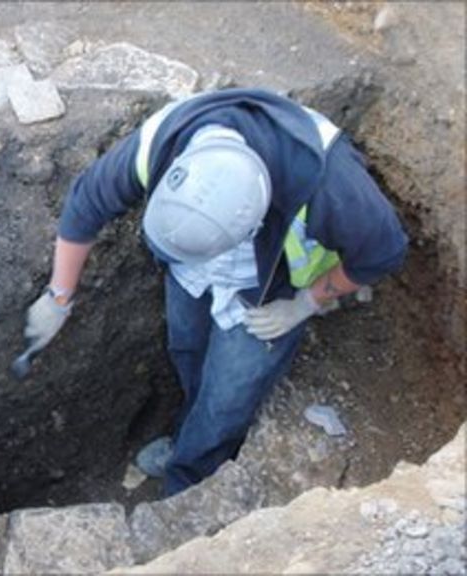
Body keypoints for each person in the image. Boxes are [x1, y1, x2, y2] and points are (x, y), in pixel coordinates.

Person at [22, 88, 408, 497]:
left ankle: (190, 479)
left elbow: (383, 252)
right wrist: (58, 296)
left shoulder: (328, 183)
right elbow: (87, 204)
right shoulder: (165, 139)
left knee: (228, 395)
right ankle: (187, 435)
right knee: (187, 350)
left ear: (253, 219)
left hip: (267, 290)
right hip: (191, 267)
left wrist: (305, 302)